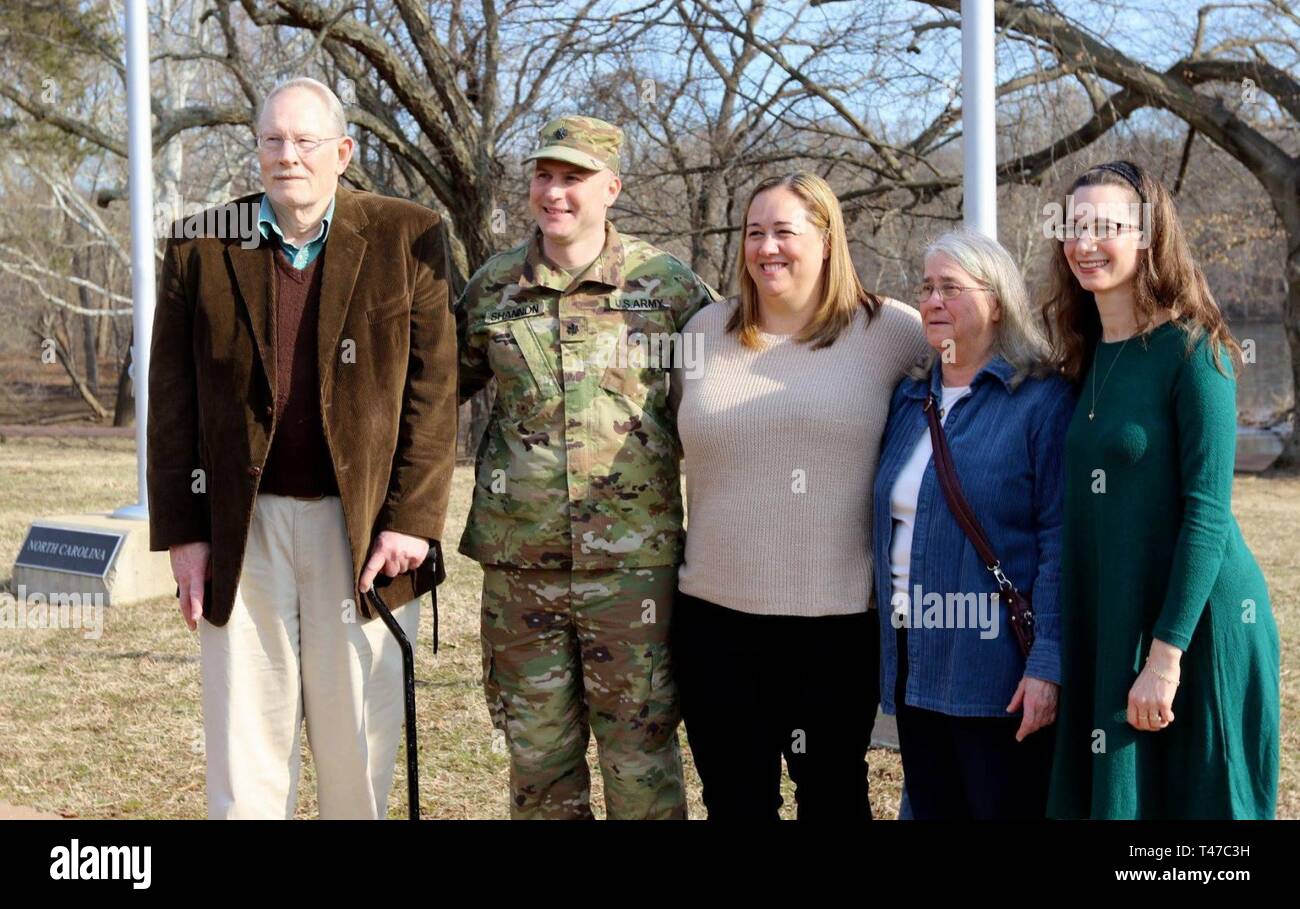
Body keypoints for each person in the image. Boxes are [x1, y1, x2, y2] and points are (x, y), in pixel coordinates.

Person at [147, 77, 459, 819]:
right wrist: (185, 534)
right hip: (240, 525)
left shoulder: (407, 234)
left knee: (358, 734)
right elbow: (171, 399)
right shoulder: (201, 242)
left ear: (343, 152)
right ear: (257, 150)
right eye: (273, 140)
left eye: (306, 140)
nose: (289, 155)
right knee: (244, 741)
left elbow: (434, 386)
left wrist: (413, 519)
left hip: (364, 532)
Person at [456, 114, 718, 819]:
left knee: (642, 762)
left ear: (611, 188)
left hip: (634, 574)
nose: (554, 192)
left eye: (573, 178)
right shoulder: (493, 289)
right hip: (521, 574)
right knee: (538, 765)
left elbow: (728, 401)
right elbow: (427, 394)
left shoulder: (664, 289)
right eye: (544, 175)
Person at [670, 171, 928, 820]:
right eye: (755, 232)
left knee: (834, 798)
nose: (767, 247)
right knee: (735, 801)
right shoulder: (702, 332)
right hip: (715, 620)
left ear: (826, 239)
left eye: (785, 231)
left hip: (836, 624)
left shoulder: (890, 330)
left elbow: (984, 369)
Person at [1043, 160, 1280, 819]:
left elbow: (1207, 516)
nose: (1084, 242)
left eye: (1105, 227)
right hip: (1114, 614)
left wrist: (1166, 656)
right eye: (1073, 226)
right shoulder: (1087, 353)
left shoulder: (1194, 351)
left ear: (1148, 236)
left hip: (1195, 626)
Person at [872, 231, 1074, 819]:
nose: (932, 301)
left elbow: (1061, 545)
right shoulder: (910, 400)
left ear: (998, 300)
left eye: (951, 288)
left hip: (997, 664)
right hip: (913, 651)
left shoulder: (1041, 400)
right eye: (927, 287)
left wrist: (1047, 667)